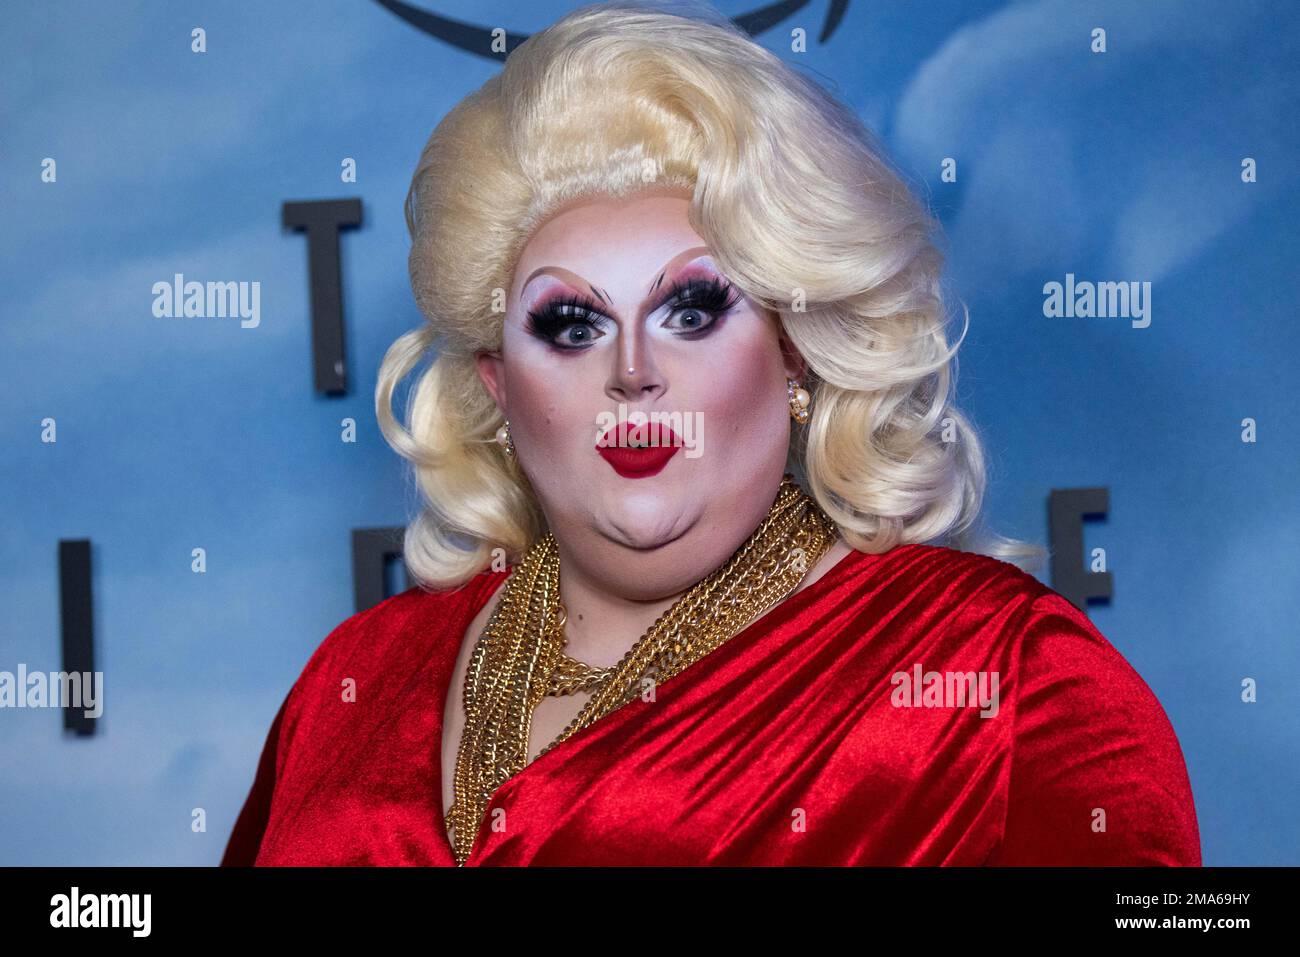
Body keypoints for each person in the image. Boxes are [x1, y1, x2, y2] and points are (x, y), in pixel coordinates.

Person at [222, 0, 1200, 867]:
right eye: (571, 323)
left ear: (796, 353)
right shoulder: (353, 679)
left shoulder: (998, 671)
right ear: (498, 384)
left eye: (691, 310)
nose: (633, 371)